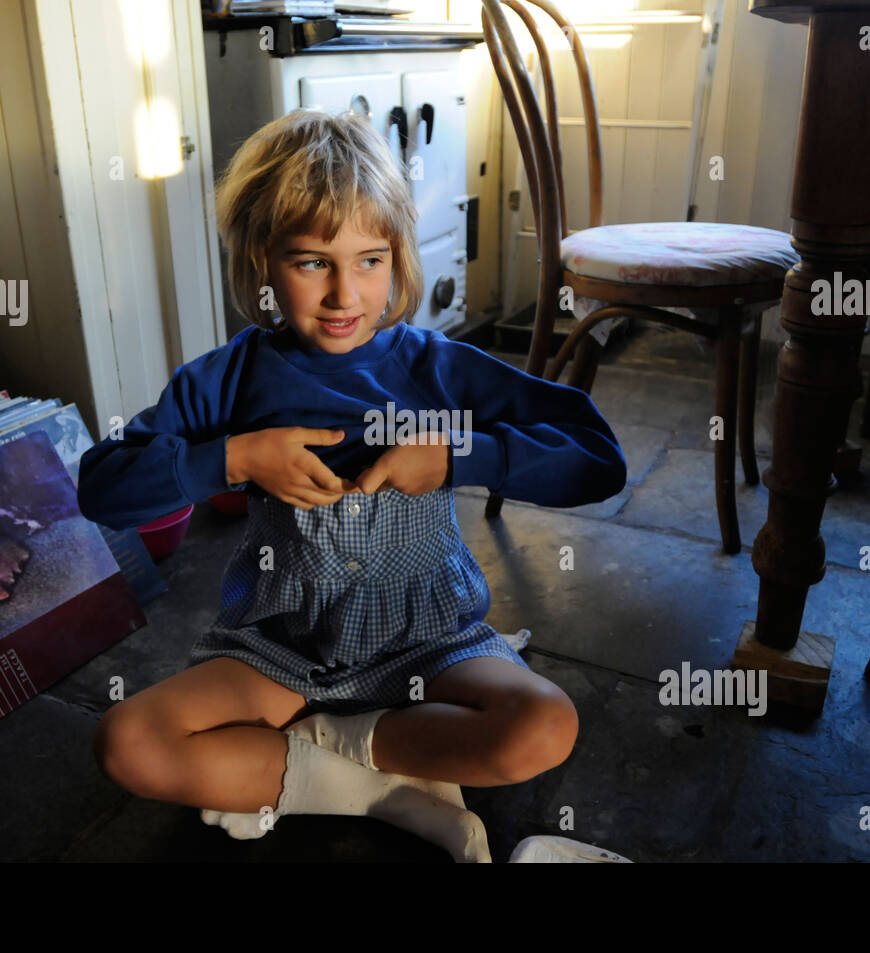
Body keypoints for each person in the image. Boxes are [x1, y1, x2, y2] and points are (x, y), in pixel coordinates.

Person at [77, 108, 627, 863]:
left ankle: (329, 749)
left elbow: (598, 457)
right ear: (260, 263)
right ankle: (379, 787)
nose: (345, 294)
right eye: (311, 262)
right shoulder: (228, 379)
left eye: (370, 260)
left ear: (398, 255)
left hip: (430, 641)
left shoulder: (437, 368)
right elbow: (100, 489)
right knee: (128, 742)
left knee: (544, 727)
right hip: (281, 645)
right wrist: (232, 459)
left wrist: (456, 457)